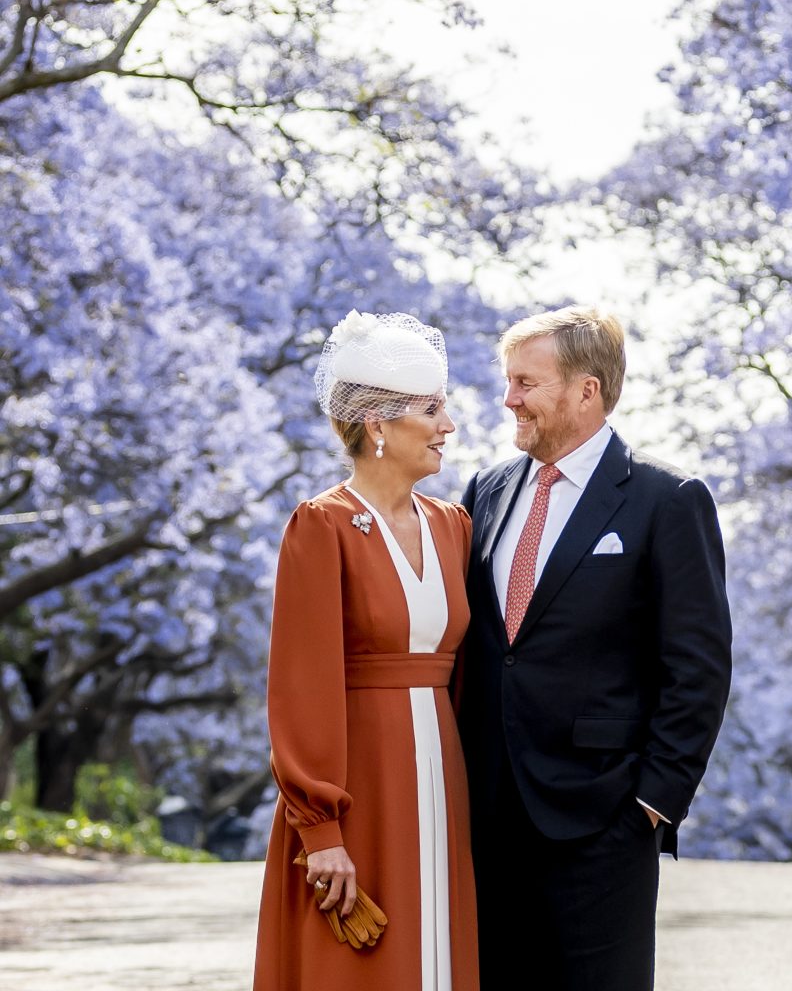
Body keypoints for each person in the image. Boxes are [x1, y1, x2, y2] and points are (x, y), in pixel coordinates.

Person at [458, 306, 732, 991]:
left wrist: (654, 802)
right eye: (507, 380)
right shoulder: (484, 492)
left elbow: (697, 664)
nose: (508, 399)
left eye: (526, 382)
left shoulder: (667, 499)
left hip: (604, 819)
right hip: (486, 816)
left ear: (587, 389)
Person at [254, 310, 478, 991]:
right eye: (433, 409)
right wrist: (320, 832)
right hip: (358, 788)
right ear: (378, 423)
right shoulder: (320, 526)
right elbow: (301, 686)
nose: (448, 425)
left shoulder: (454, 527)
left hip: (445, 781)